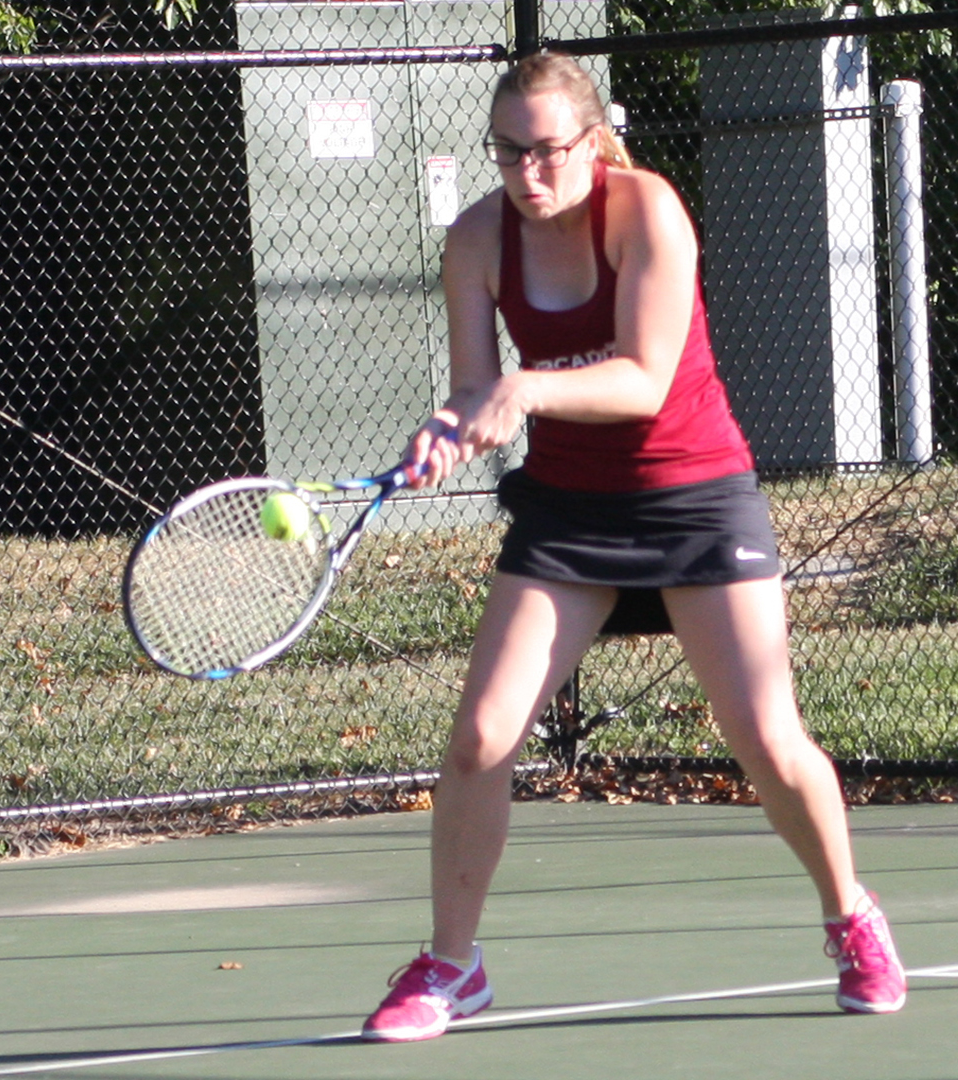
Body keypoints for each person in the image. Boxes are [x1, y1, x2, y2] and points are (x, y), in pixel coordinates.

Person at [360, 51, 905, 1044]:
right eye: (508, 152)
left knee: (767, 741)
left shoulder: (648, 209)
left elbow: (645, 380)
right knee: (481, 737)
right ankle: (452, 966)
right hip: (570, 515)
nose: (527, 172)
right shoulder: (476, 239)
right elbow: (477, 387)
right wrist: (451, 425)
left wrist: (524, 390)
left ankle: (850, 916)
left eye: (547, 150)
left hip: (696, 499)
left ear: (593, 140)